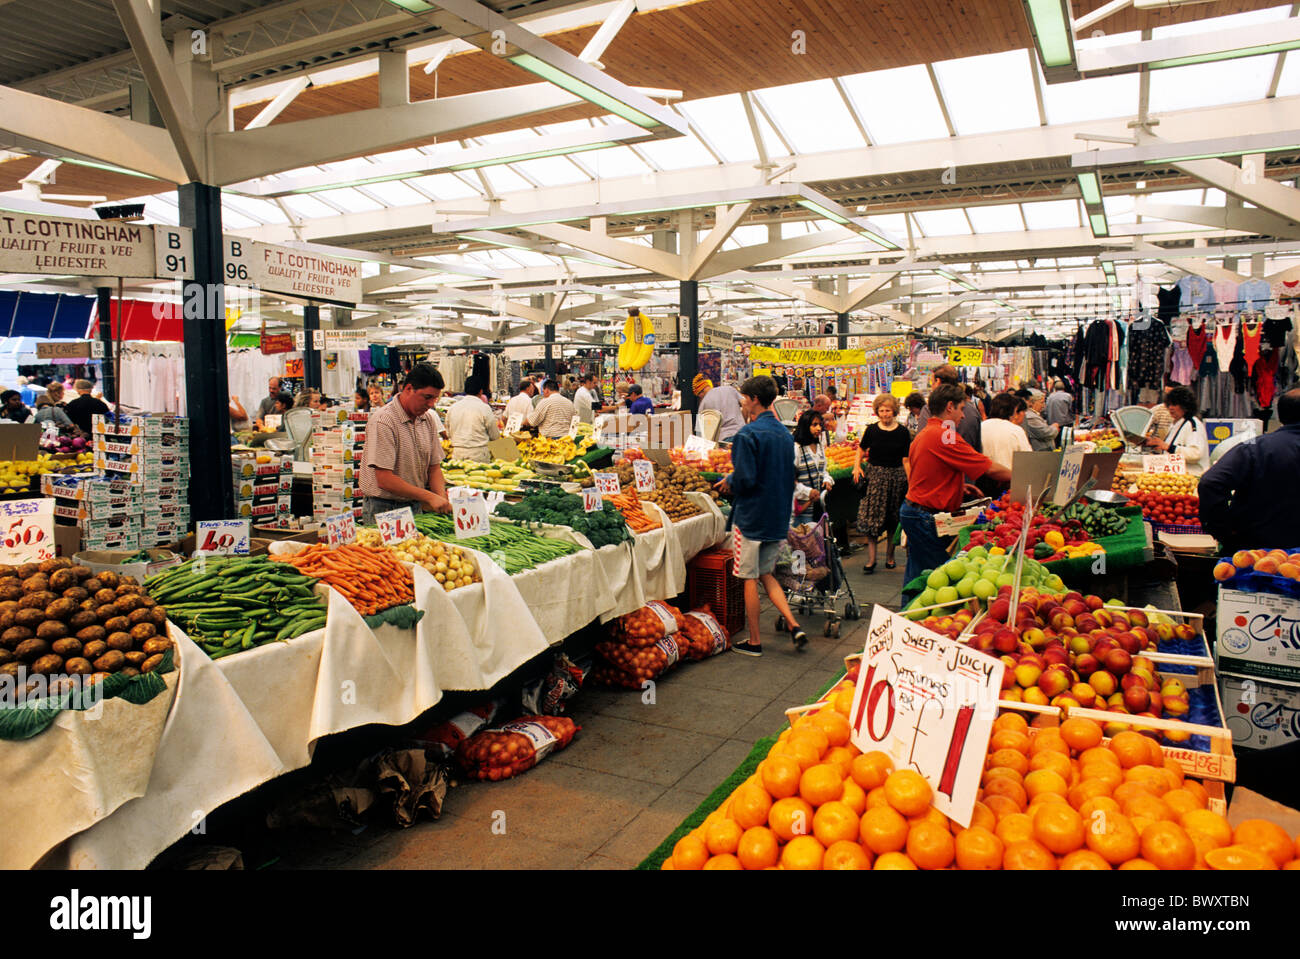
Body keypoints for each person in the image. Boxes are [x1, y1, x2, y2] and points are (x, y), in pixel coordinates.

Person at [715, 375, 807, 656]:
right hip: (777, 516)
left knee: (749, 578)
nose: (742, 403)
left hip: (751, 517)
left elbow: (747, 479)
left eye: (744, 398)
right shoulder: (783, 433)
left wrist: (731, 480)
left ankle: (754, 641)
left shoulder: (746, 435)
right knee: (767, 574)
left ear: (754, 400)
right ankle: (793, 624)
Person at [900, 384, 1012, 589]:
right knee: (936, 580)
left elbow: (927, 473)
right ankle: (921, 619)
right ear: (950, 407)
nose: (963, 416)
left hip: (915, 511)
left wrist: (956, 487)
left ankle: (905, 617)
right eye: (961, 409)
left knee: (917, 576)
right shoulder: (945, 435)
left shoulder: (926, 432)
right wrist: (1022, 476)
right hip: (926, 516)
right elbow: (989, 468)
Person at [1199, 387, 1300, 551]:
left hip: (1253, 550)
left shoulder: (1254, 446)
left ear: (1281, 416)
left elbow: (1211, 482)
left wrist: (1223, 530)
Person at [359, 362, 451, 523]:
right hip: (384, 509)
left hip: (415, 506)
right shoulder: (384, 421)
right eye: (427, 397)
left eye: (435, 399)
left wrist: (441, 500)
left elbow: (434, 467)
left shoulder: (427, 419)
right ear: (408, 389)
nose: (431, 405)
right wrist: (429, 496)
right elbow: (384, 479)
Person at [853, 394, 911, 573]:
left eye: (888, 410)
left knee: (893, 518)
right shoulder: (871, 430)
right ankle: (871, 559)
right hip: (875, 477)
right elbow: (861, 449)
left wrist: (911, 482)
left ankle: (890, 557)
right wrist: (857, 467)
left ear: (894, 411)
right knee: (872, 518)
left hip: (896, 478)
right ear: (877, 411)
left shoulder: (902, 432)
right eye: (881, 410)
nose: (885, 414)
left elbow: (906, 459)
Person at [1143, 385, 1209, 474]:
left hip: (1192, 475)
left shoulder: (1192, 424)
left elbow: (1195, 454)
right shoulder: (1176, 424)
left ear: (1185, 405)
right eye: (1169, 404)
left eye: (1174, 404)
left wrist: (1167, 447)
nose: (1171, 408)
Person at [916, 365, 982, 451]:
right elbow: (977, 447)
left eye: (932, 382)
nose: (962, 416)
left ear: (938, 381)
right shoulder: (973, 411)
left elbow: (921, 444)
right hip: (967, 461)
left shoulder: (930, 409)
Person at [446, 375, 501, 462]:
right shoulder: (484, 408)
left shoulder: (453, 408)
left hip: (458, 453)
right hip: (478, 454)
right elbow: (494, 435)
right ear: (481, 391)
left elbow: (448, 433)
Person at [792, 410, 833, 522]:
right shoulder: (797, 448)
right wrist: (807, 491)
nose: (819, 428)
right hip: (801, 511)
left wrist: (827, 479)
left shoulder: (819, 446)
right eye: (814, 425)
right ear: (805, 426)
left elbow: (823, 471)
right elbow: (789, 480)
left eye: (820, 424)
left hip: (818, 508)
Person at [981, 393, 1031, 473]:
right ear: (1012, 411)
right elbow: (1027, 458)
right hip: (1009, 477)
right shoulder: (1016, 430)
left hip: (983, 478)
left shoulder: (981, 426)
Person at [695, 375, 745, 442]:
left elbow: (699, 431)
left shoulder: (704, 402)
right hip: (742, 433)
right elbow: (744, 403)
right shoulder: (729, 389)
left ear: (700, 393)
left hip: (724, 438)